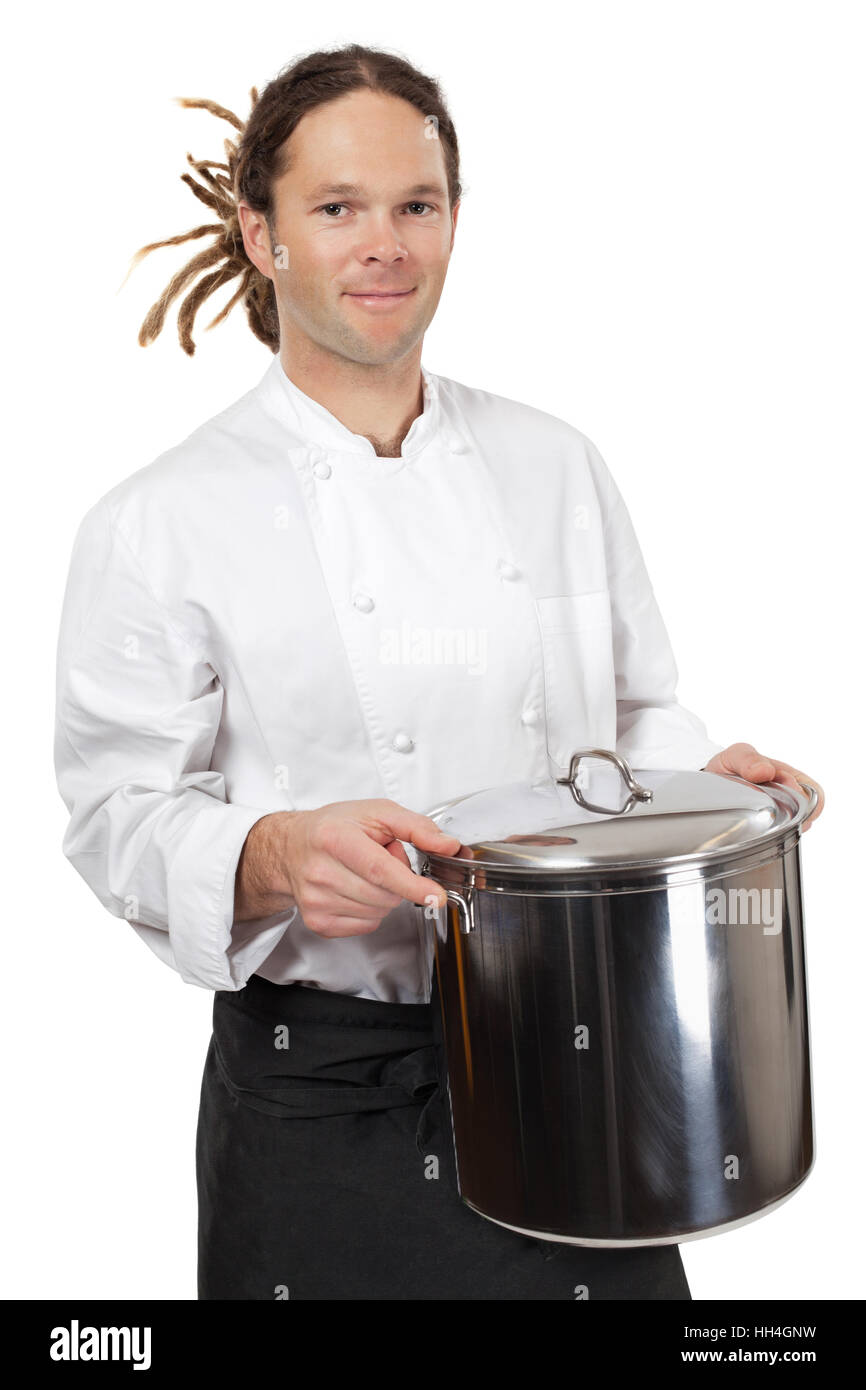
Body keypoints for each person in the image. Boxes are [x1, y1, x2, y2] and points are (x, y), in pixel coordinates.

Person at [53, 43, 825, 1301]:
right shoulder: (160, 521)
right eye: (337, 207)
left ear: (454, 218)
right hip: (328, 1093)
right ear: (262, 234)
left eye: (416, 204)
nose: (385, 244)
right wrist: (273, 853)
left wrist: (698, 801)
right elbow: (114, 816)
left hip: (581, 1059)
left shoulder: (552, 463)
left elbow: (630, 723)